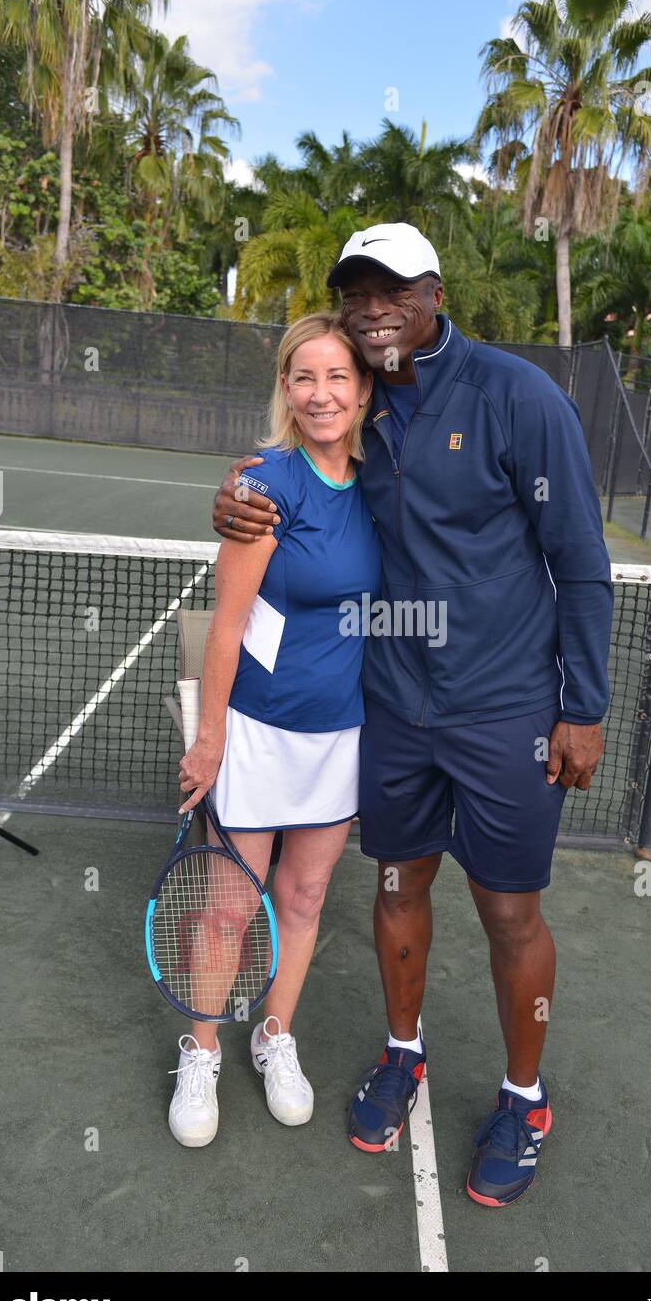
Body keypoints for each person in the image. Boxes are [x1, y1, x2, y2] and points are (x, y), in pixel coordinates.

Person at [213, 223, 613, 1206]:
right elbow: (293, 482)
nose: (373, 308)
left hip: (507, 711)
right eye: (356, 292)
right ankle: (404, 1052)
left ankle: (524, 1097)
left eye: (391, 288)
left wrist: (584, 705)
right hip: (391, 711)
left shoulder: (520, 398)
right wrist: (230, 502)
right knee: (398, 885)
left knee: (509, 910)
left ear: (436, 290)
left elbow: (581, 559)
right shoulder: (364, 409)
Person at [168, 312, 381, 1148]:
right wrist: (210, 735)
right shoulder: (263, 484)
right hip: (256, 729)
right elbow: (227, 625)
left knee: (302, 896)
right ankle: (201, 1052)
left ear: (363, 389)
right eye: (304, 377)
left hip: (343, 734)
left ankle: (274, 1035)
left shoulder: (385, 482)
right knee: (228, 906)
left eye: (338, 377)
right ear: (286, 390)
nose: (321, 394)